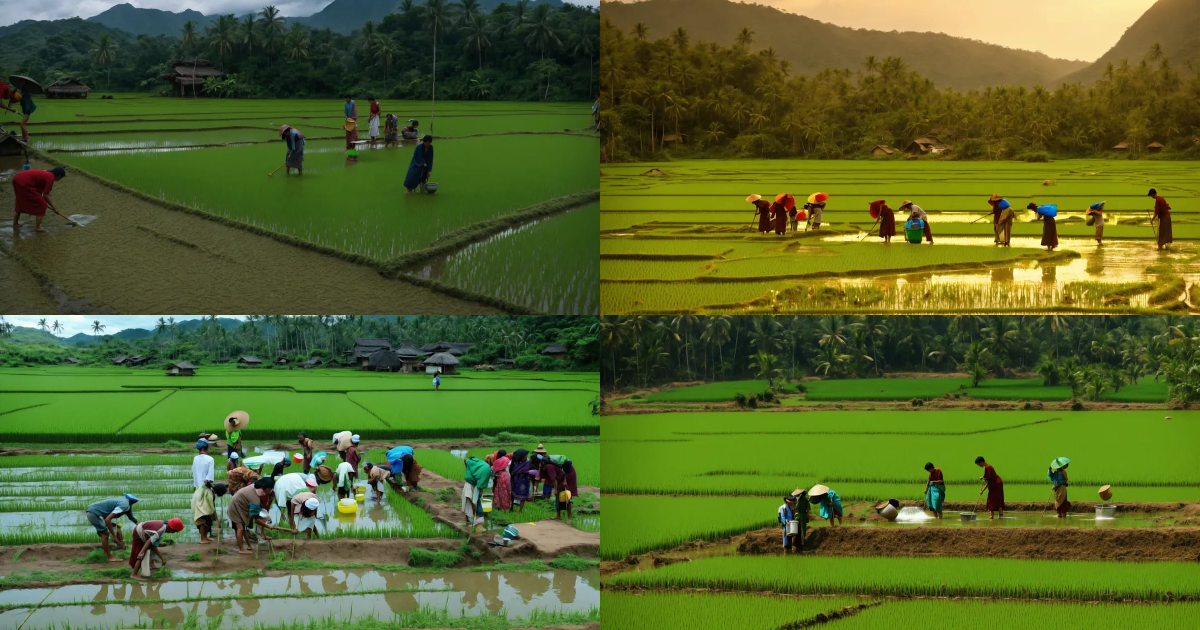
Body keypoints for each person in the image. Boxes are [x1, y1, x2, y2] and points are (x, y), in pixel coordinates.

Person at [228, 478, 296, 554]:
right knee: (240, 528)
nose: (271, 491)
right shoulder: (255, 499)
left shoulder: (255, 487)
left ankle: (249, 546)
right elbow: (256, 519)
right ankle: (241, 549)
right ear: (267, 488)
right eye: (271, 489)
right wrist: (268, 526)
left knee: (243, 528)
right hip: (235, 507)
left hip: (241, 506)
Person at [11, 167, 67, 233]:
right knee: (42, 205)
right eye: (61, 178)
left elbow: (40, 188)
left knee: (20, 201)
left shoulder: (48, 172)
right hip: (24, 183)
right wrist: (54, 208)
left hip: (17, 178)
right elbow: (45, 195)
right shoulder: (50, 178)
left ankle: (15, 224)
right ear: (59, 176)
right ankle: (37, 227)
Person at [85, 495, 139, 562]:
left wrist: (140, 526)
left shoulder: (127, 506)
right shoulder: (124, 505)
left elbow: (131, 517)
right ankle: (109, 557)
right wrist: (114, 536)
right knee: (105, 534)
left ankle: (122, 545)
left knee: (117, 528)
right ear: (134, 502)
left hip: (98, 514)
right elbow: (108, 519)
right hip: (94, 513)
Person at [537, 452, 579, 522]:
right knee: (558, 496)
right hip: (561, 477)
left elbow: (556, 478)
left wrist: (557, 488)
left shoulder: (549, 466)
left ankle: (569, 518)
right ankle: (558, 515)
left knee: (568, 495)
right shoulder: (543, 465)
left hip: (569, 475)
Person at [463, 456, 493, 531]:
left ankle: (470, 522)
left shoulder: (477, 463)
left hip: (470, 484)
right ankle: (476, 523)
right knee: (474, 504)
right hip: (471, 486)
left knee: (471, 503)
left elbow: (466, 460)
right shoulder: (486, 469)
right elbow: (482, 484)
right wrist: (480, 491)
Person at [509, 449, 534, 513]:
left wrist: (529, 476)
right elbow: (513, 471)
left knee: (522, 497)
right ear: (521, 457)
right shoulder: (516, 463)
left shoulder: (528, 463)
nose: (526, 457)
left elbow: (531, 472)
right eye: (525, 456)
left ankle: (520, 510)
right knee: (513, 494)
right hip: (515, 481)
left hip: (523, 481)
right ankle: (511, 507)